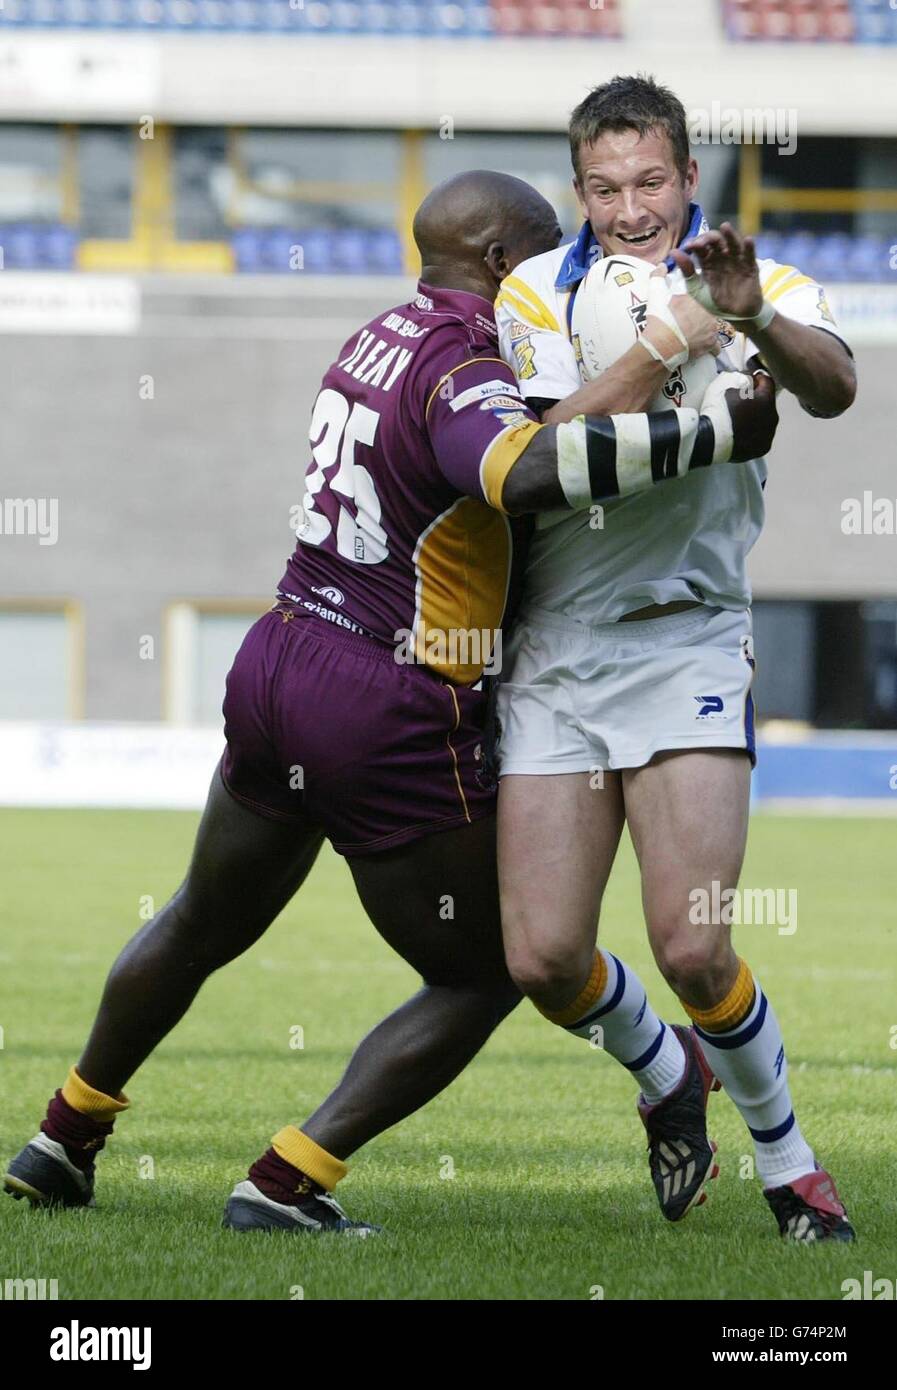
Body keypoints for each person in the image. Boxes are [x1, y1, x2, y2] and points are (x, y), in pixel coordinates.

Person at [3, 171, 775, 1235]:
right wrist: (710, 433)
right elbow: (516, 470)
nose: (561, 276)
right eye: (548, 255)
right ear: (505, 261)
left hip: (282, 652)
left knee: (199, 920)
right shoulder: (466, 357)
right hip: (386, 692)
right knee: (488, 970)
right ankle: (287, 1181)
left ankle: (64, 1135)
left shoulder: (380, 332)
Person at [492, 75, 857, 1242]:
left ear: (691, 179)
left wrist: (745, 317)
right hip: (556, 644)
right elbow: (548, 452)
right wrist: (672, 341)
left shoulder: (764, 281)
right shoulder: (533, 292)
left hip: (690, 633)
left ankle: (793, 1172)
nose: (629, 207)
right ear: (580, 190)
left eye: (650, 181)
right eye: (604, 187)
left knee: (696, 944)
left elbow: (836, 387)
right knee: (544, 957)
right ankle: (669, 1078)